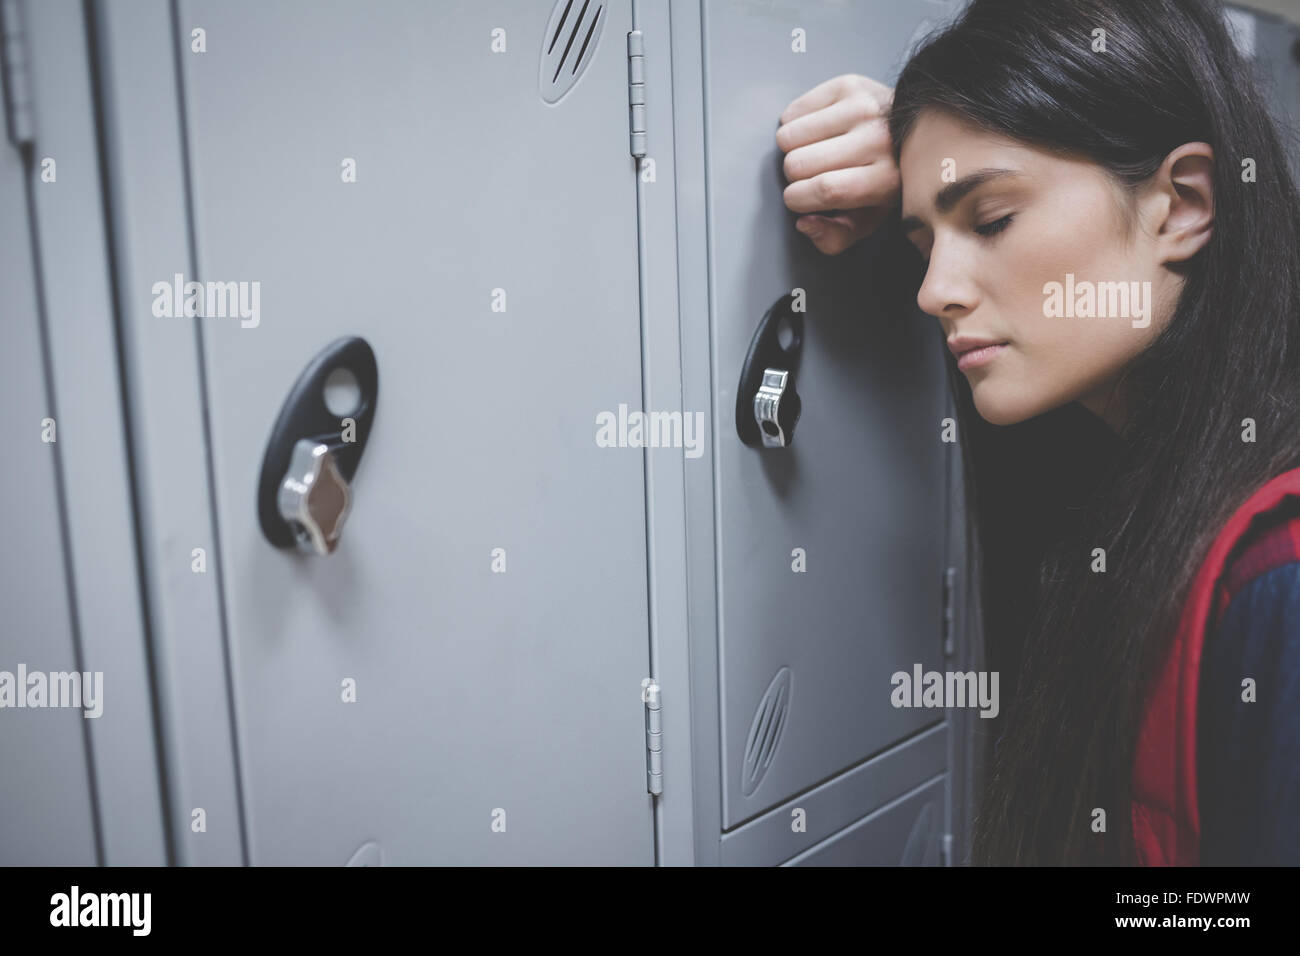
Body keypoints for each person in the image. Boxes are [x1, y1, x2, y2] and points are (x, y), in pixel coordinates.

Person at [777, 0, 1300, 865]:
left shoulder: (1275, 576)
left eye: (990, 221)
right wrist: (926, 142)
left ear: (1180, 205)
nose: (934, 290)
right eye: (922, 243)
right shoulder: (1129, 489)